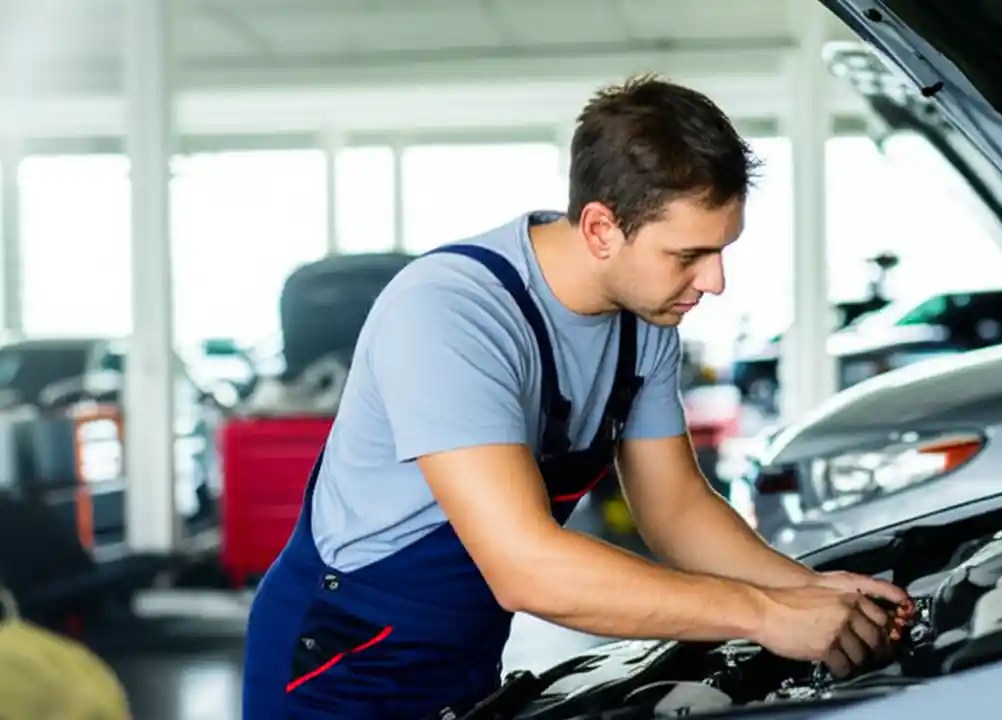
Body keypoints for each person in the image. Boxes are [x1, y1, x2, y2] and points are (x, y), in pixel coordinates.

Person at [241, 74, 912, 719]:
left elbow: (676, 510)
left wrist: (808, 590)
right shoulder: (450, 313)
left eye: (721, 251)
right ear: (599, 229)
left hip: (461, 664)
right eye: (689, 255)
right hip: (336, 672)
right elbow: (527, 568)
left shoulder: (643, 320)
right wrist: (768, 616)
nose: (715, 282)